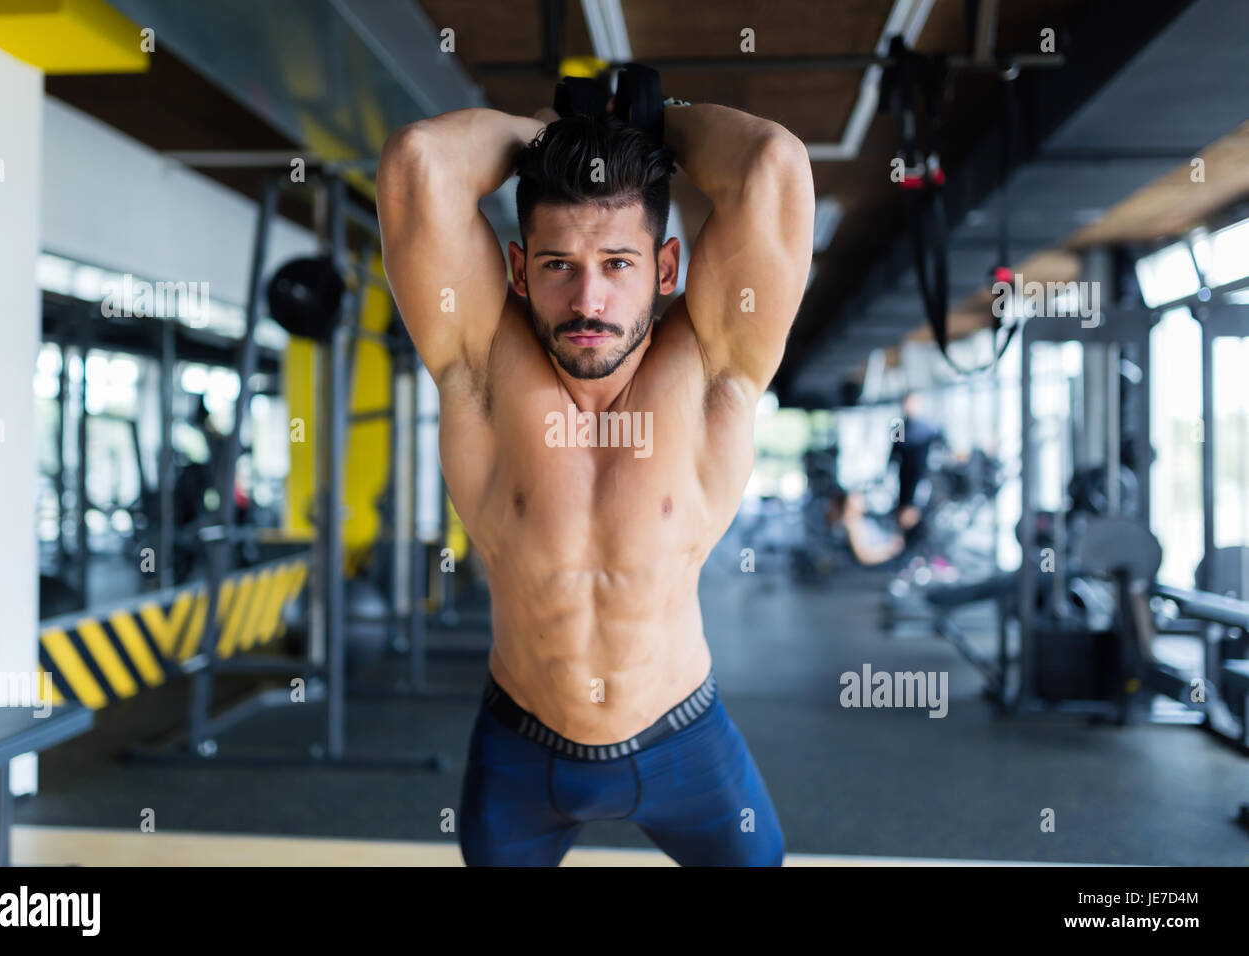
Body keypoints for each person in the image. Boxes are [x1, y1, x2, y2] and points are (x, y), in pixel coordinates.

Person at [376, 81, 814, 865]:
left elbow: (773, 166)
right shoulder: (482, 370)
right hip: (521, 754)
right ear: (517, 267)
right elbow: (418, 165)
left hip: (686, 743)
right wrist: (541, 134)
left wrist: (662, 126)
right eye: (558, 264)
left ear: (666, 264)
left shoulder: (713, 367)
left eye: (618, 262)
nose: (589, 298)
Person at [888, 392, 942, 539]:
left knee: (917, 509)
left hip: (922, 476)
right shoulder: (898, 425)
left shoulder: (930, 427)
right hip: (904, 476)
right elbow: (894, 453)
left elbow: (940, 449)